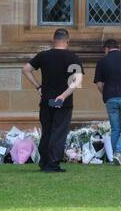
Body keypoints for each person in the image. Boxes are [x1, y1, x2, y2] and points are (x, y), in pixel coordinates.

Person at [22, 29, 83, 173]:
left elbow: (26, 69)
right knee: (59, 132)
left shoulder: (43, 56)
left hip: (46, 100)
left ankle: (44, 162)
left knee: (47, 131)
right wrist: (63, 95)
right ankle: (53, 164)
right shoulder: (72, 57)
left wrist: (38, 87)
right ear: (67, 41)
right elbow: (77, 81)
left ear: (53, 40)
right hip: (64, 102)